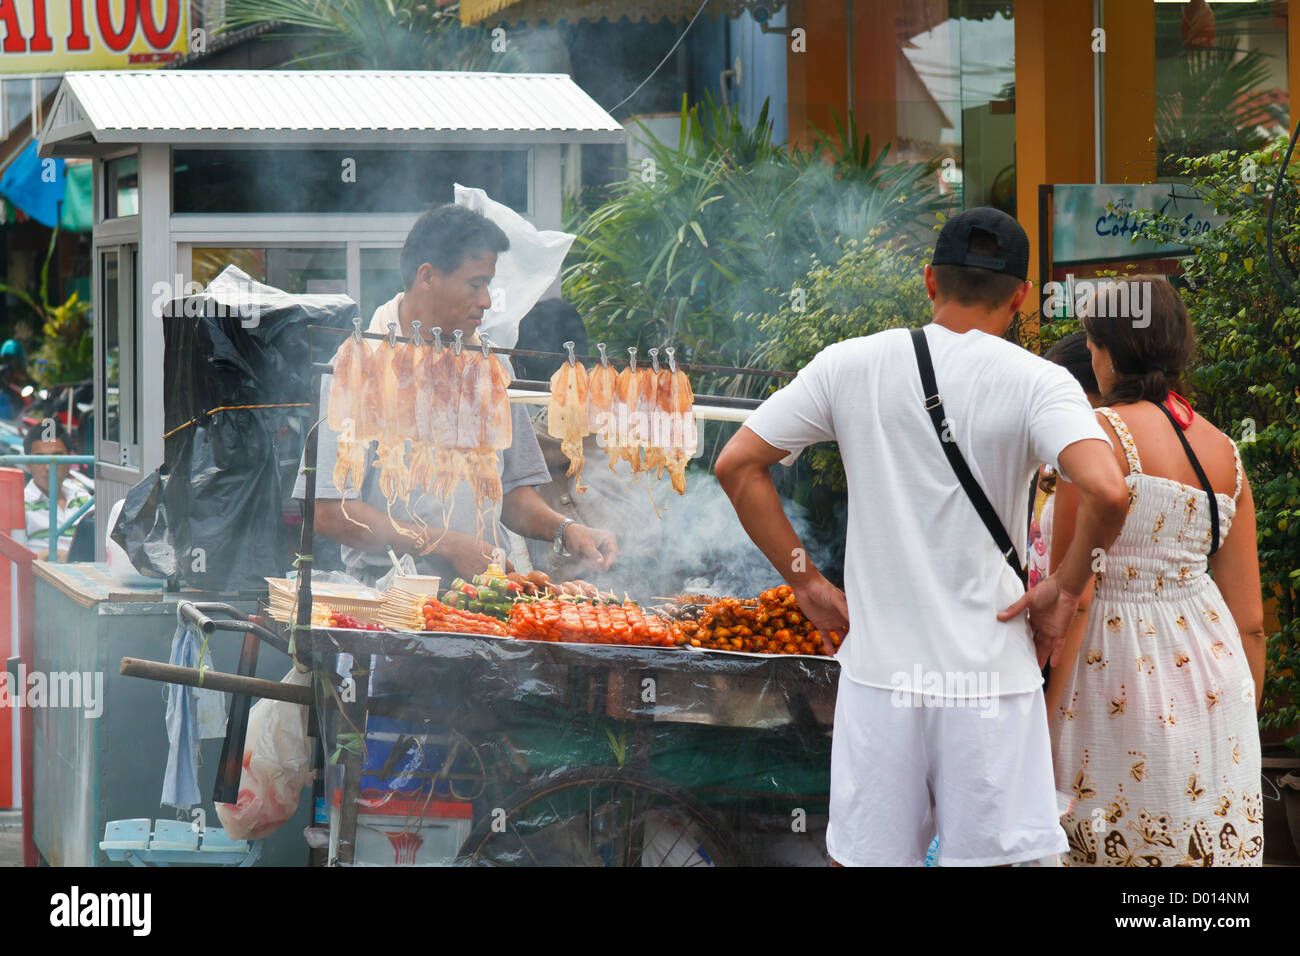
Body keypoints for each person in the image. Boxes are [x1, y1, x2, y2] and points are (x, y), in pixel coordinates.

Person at [714, 207, 1130, 866]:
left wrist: (804, 579)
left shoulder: (850, 364)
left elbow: (737, 464)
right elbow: (1108, 490)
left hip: (883, 680)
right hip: (989, 680)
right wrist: (1064, 589)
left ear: (930, 280)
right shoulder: (1040, 382)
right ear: (1020, 296)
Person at [1048, 276, 1264, 867]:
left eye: (1091, 344)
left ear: (1109, 347)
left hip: (1107, 672)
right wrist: (1238, 719)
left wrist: (1042, 723)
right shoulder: (1225, 450)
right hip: (1214, 679)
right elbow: (1250, 622)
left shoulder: (1095, 439)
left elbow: (1077, 597)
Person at [293, 204, 618, 586]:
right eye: (475, 284)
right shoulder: (360, 365)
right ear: (427, 276)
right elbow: (330, 511)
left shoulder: (491, 368)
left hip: (485, 594)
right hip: (393, 601)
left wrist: (566, 530)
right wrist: (445, 545)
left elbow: (512, 492)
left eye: (488, 286)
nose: (486, 301)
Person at [514, 299, 663, 585]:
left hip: (611, 554)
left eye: (518, 356)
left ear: (530, 359)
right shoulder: (587, 390)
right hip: (616, 548)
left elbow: (522, 449)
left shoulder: (583, 399)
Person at [13, 421, 90, 559]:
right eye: (40, 458)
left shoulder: (84, 499)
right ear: (28, 464)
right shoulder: (18, 505)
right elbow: (14, 561)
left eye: (57, 456)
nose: (49, 467)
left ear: (70, 460)